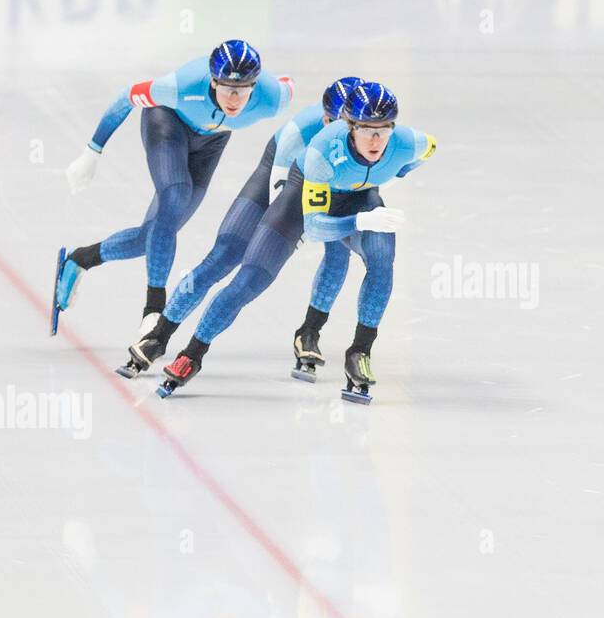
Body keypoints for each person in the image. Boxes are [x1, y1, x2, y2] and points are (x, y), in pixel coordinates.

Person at [137, 82, 436, 403]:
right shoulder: (321, 150)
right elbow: (316, 228)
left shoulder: (407, 142)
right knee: (247, 276)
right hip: (298, 196)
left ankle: (359, 350)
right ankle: (185, 349)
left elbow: (429, 147)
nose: (376, 139)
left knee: (382, 257)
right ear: (348, 126)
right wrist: (361, 221)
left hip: (359, 198)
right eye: (367, 129)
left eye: (383, 129)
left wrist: (395, 172)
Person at [116, 75, 362, 378]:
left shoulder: (364, 141)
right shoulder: (300, 132)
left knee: (338, 253)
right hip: (279, 182)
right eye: (326, 120)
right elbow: (278, 191)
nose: (328, 129)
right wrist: (296, 231)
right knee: (225, 255)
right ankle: (160, 335)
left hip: (334, 187)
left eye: (336, 125)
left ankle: (309, 331)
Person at [51, 39, 293, 337]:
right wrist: (92, 152)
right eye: (228, 88)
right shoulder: (183, 85)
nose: (234, 98)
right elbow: (127, 96)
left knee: (151, 237)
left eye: (243, 89)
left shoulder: (272, 98)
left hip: (211, 143)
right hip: (167, 123)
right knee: (175, 195)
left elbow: (290, 88)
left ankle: (80, 259)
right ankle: (154, 308)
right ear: (213, 81)